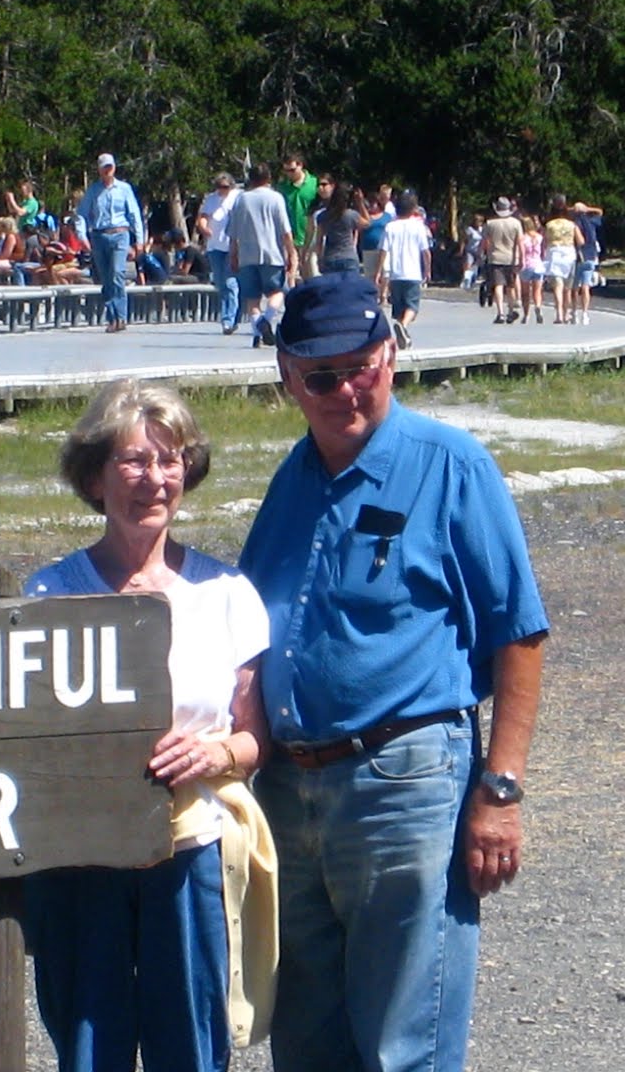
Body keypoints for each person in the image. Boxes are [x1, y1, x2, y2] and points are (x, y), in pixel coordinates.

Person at [239, 274, 549, 1072]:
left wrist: (501, 791)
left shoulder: (450, 466)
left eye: (362, 367)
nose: (345, 390)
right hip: (289, 789)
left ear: (391, 355)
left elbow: (519, 634)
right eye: (321, 376)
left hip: (401, 780)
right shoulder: (292, 479)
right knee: (306, 1039)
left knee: (403, 1044)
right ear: (286, 378)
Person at [0, 379, 275, 1072]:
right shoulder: (51, 593)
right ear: (94, 476)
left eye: (170, 460)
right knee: (89, 1044)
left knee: (193, 1042)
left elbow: (254, 738)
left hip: (190, 850)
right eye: (134, 461)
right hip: (79, 858)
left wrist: (214, 755)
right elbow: (2, 719)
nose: (155, 479)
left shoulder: (228, 594)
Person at [227, 163, 296, 348]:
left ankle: (257, 333)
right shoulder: (275, 198)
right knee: (278, 291)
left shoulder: (242, 199)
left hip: (247, 255)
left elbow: (233, 233)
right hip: (272, 254)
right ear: (269, 178)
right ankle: (266, 319)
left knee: (252, 298)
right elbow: (285, 231)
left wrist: (233, 254)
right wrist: (291, 252)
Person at [79, 154, 145, 333]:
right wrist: (82, 236)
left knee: (117, 274)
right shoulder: (93, 190)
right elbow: (82, 215)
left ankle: (121, 316)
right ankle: (112, 317)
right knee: (106, 278)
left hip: (120, 234)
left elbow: (134, 215)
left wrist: (139, 240)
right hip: (99, 236)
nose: (108, 170)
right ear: (99, 170)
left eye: (110, 167)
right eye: (104, 167)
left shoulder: (124, 189)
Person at [376, 189, 430, 349]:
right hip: (413, 273)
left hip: (395, 274)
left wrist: (378, 271)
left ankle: (403, 336)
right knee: (412, 307)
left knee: (399, 309)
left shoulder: (390, 227)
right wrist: (427, 269)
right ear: (414, 208)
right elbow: (425, 251)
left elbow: (383, 251)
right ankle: (404, 327)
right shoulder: (419, 226)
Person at [197, 171, 241, 334]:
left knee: (231, 283)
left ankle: (230, 319)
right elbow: (203, 216)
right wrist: (203, 227)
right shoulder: (211, 199)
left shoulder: (238, 197)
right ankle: (227, 319)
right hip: (214, 246)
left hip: (232, 246)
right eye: (219, 187)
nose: (221, 190)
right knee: (221, 284)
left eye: (225, 187)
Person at [311, 181, 368, 280]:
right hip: (348, 257)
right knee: (350, 291)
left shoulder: (323, 216)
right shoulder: (351, 215)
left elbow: (319, 241)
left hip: (330, 257)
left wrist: (319, 258)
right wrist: (360, 202)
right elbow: (367, 223)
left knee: (333, 292)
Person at [481, 196, 524, 324]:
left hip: (495, 257)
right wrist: (522, 258)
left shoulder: (490, 223)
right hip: (511, 258)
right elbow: (520, 243)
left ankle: (500, 313)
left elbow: (484, 242)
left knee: (498, 285)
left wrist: (482, 254)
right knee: (511, 287)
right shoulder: (516, 223)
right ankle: (511, 311)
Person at [278, 155, 318, 281]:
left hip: (312, 238)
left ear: (300, 165)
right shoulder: (282, 188)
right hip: (290, 239)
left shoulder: (315, 184)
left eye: (292, 170)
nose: (289, 174)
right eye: (286, 171)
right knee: (290, 277)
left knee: (312, 276)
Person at [542, 195, 580, 324]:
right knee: (567, 288)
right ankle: (566, 314)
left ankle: (558, 315)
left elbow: (544, 242)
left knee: (557, 286)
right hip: (569, 253)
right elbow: (581, 241)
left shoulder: (549, 225)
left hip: (554, 253)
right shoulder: (572, 225)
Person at [571, 200, 604, 324]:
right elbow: (600, 212)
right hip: (590, 256)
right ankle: (584, 313)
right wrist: (587, 208)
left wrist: (574, 209)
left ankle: (574, 312)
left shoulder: (574, 224)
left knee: (574, 287)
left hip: (577, 257)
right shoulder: (592, 221)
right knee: (586, 286)